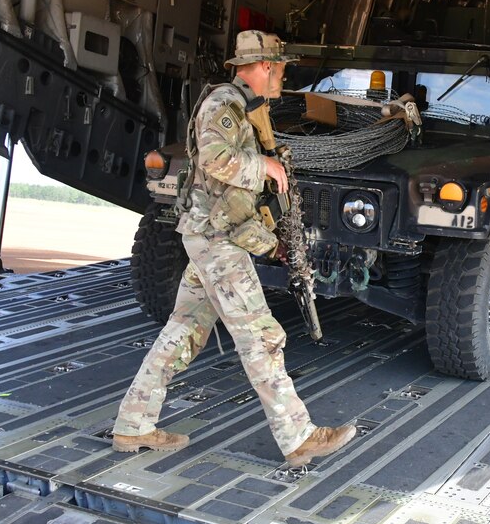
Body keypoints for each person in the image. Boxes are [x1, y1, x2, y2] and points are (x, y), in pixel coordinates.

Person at [112, 30, 356, 465]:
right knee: (261, 336)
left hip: (215, 236)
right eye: (280, 68)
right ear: (264, 66)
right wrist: (263, 164)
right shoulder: (223, 105)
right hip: (216, 239)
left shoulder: (245, 107)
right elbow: (214, 160)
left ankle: (133, 425)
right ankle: (298, 436)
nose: (283, 76)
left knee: (183, 331)